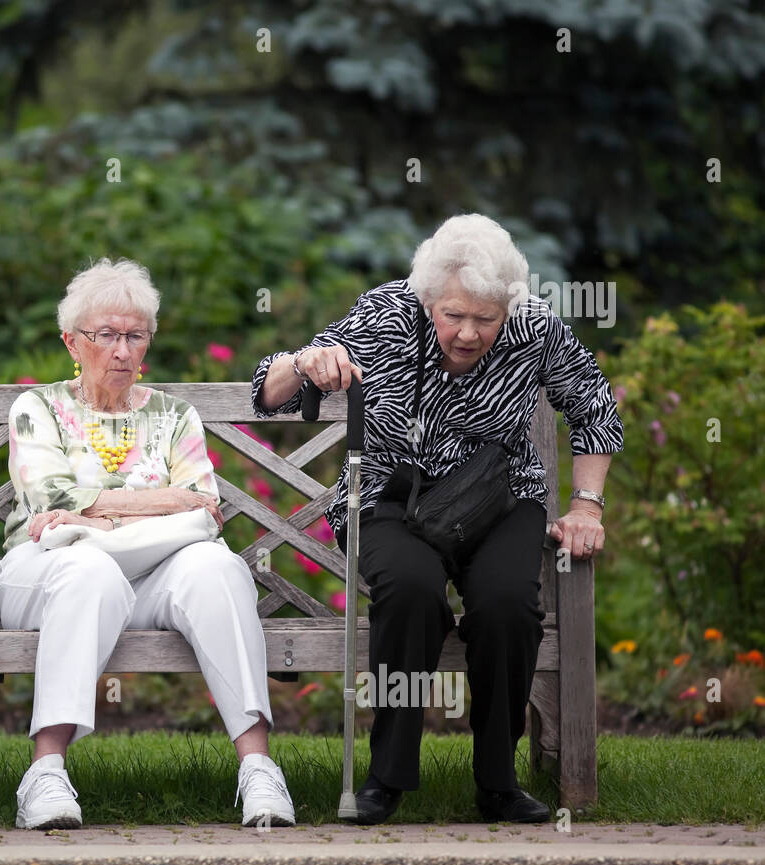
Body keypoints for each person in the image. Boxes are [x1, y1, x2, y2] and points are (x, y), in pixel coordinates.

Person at [251, 214, 623, 824]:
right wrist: (309, 361)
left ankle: (498, 781)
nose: (470, 333)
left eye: (486, 318)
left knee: (507, 604)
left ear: (509, 306)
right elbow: (271, 393)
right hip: (390, 498)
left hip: (499, 498)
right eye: (454, 316)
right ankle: (386, 777)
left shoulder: (536, 327)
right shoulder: (385, 315)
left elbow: (594, 408)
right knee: (412, 591)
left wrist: (586, 506)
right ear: (427, 300)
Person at [0, 257, 296, 830]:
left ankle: (258, 768)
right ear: (72, 342)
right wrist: (163, 504)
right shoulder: (39, 408)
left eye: (135, 336)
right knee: (88, 569)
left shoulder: (175, 415)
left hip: (152, 574)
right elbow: (49, 502)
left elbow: (204, 510)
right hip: (46, 576)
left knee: (216, 566)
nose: (122, 351)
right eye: (106, 335)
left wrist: (97, 514)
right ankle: (45, 773)